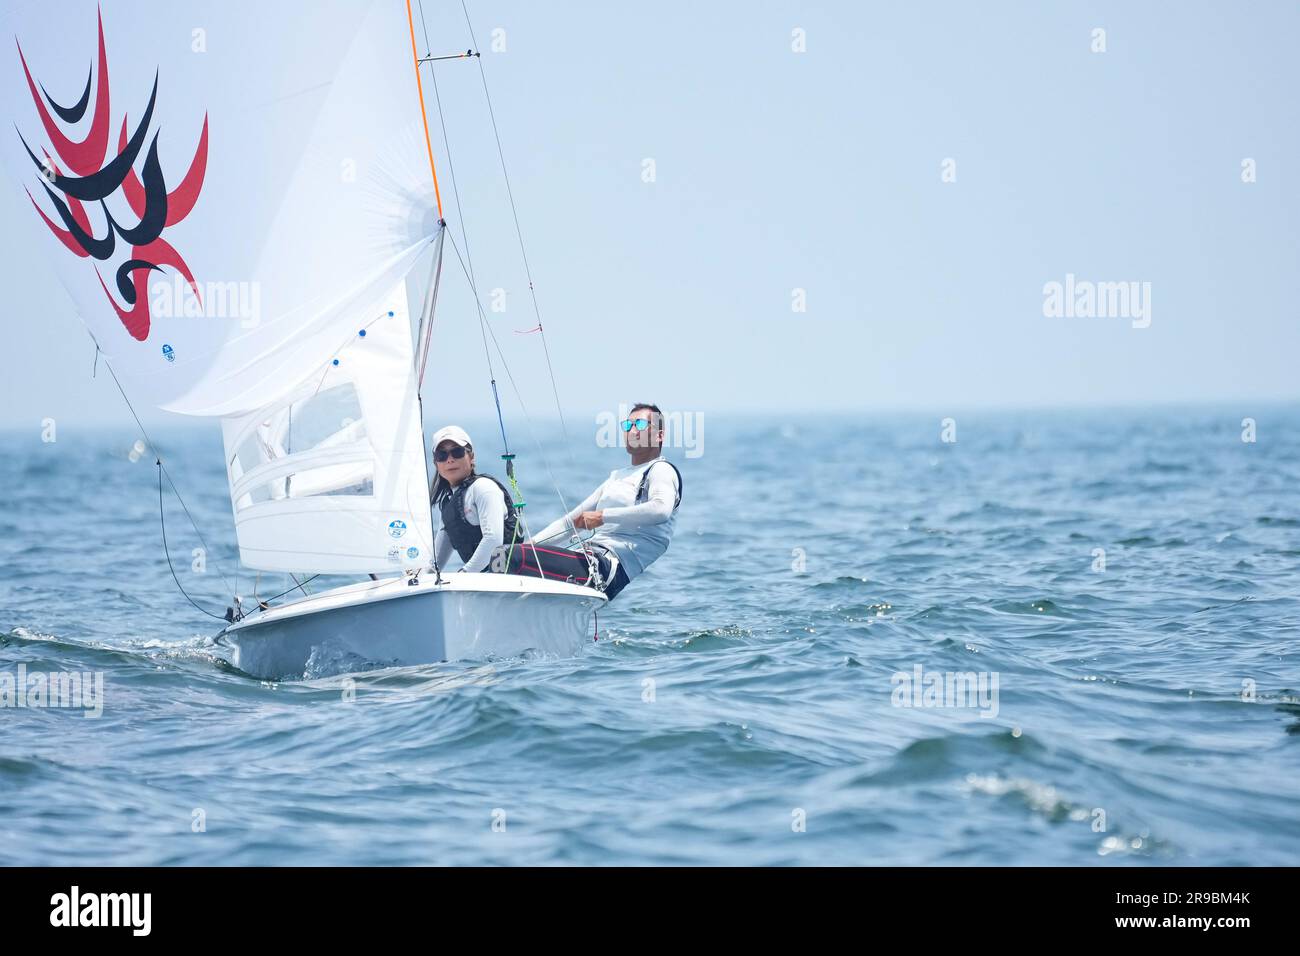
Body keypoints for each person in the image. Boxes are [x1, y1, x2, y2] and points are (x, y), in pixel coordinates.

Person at [509, 403, 681, 600]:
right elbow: (572, 523)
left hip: (606, 569)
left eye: (640, 424)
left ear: (659, 435)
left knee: (512, 559)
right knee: (509, 555)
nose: (631, 431)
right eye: (627, 425)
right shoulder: (617, 477)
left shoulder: (661, 470)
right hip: (586, 558)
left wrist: (603, 516)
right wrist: (529, 545)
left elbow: (661, 510)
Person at [429, 425, 519, 573]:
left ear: (471, 457)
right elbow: (436, 561)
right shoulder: (448, 505)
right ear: (436, 464)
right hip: (480, 581)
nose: (450, 460)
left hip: (511, 579)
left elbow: (493, 540)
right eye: (442, 455)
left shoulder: (483, 488)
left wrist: (465, 574)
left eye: (457, 452)